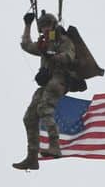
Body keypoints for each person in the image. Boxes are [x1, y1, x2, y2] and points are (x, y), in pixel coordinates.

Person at [13, 10, 76, 170]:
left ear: (53, 25)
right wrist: (27, 25)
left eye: (47, 26)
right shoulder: (45, 44)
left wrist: (53, 56)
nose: (45, 30)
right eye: (42, 27)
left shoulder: (63, 40)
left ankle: (55, 145)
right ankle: (32, 157)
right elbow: (27, 45)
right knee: (29, 117)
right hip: (47, 82)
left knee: (44, 109)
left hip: (59, 80)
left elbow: (69, 56)